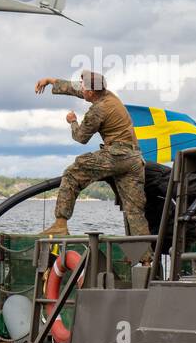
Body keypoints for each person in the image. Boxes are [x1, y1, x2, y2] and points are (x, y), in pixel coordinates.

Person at [34, 70, 148, 238]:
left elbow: (81, 137)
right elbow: (76, 89)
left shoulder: (98, 110)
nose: (81, 89)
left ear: (91, 92)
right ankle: (146, 259)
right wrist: (50, 80)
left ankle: (60, 224)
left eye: (84, 87)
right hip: (135, 159)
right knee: (134, 211)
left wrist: (72, 121)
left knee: (73, 173)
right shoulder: (108, 95)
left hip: (117, 155)